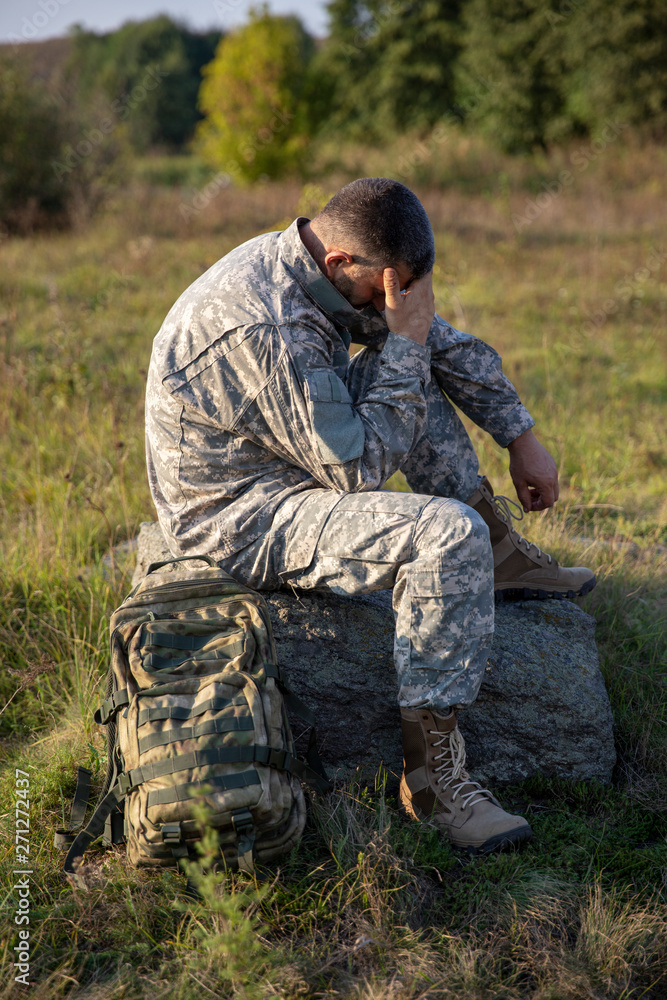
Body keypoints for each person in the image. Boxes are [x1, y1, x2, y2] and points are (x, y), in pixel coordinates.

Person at [145, 177, 595, 855]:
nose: (395, 303)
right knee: (444, 530)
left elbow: (436, 343)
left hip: (295, 463)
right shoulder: (263, 321)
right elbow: (354, 471)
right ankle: (433, 785)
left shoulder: (324, 269)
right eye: (388, 290)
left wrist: (519, 436)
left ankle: (500, 558)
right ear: (339, 263)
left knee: (407, 373)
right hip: (240, 514)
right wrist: (406, 349)